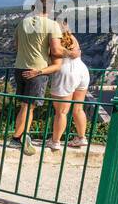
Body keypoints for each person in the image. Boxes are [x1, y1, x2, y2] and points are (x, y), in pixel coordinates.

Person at [9, 0, 62, 155]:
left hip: (20, 68)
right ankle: (18, 138)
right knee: (28, 106)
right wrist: (72, 53)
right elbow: (56, 50)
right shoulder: (52, 25)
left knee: (24, 105)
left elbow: (16, 47)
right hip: (37, 71)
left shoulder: (22, 23)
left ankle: (18, 136)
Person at [30, 18, 89, 150]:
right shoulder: (73, 38)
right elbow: (76, 53)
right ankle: (81, 138)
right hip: (82, 71)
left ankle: (55, 141)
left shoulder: (54, 41)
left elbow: (52, 54)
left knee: (61, 112)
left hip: (65, 73)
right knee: (78, 108)